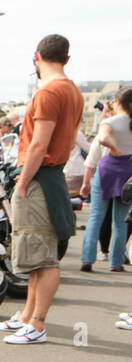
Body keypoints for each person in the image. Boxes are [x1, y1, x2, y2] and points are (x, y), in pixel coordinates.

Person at [0, 35, 84, 344]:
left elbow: (39, 143)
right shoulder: (73, 92)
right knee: (35, 254)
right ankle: (28, 316)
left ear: (36, 56)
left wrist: (23, 181)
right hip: (53, 176)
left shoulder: (48, 93)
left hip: (40, 177)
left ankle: (37, 324)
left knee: (41, 256)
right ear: (67, 59)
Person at [78, 87, 132, 273]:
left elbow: (102, 138)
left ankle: (87, 259)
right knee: (121, 220)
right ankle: (116, 263)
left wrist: (115, 148)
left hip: (107, 170)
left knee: (96, 217)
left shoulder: (109, 121)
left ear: (117, 102)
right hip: (128, 172)